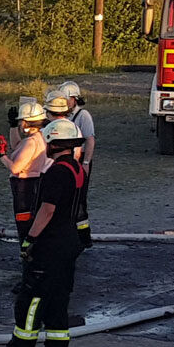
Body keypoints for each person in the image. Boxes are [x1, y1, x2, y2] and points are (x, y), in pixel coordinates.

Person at [0, 119, 87, 347]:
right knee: (58, 300)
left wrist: (30, 239)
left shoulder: (56, 172)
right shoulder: (77, 169)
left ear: (55, 144)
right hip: (68, 242)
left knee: (31, 298)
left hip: (51, 243)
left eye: (48, 141)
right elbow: (79, 209)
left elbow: (47, 210)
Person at [49, 83, 96, 246]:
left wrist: (86, 163)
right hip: (62, 160)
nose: (64, 102)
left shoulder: (83, 116)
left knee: (79, 200)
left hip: (79, 160)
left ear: (75, 99)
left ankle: (84, 238)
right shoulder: (60, 117)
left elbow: (90, 140)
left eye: (66, 99)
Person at [0, 96, 49, 242]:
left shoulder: (31, 142)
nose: (20, 124)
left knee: (24, 220)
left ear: (27, 122)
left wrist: (2, 156)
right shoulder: (38, 137)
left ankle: (27, 249)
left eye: (21, 121)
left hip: (24, 187)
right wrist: (13, 126)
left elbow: (15, 168)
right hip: (33, 184)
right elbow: (17, 145)